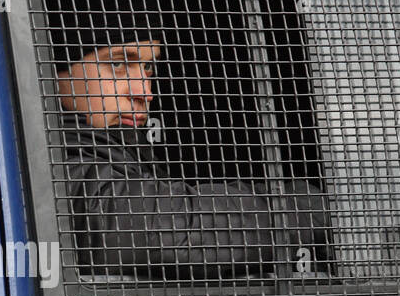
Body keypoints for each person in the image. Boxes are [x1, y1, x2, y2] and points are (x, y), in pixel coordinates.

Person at [52, 19, 330, 282]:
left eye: (148, 68)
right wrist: (314, 206)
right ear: (57, 72)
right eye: (119, 65)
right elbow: (153, 231)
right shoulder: (50, 155)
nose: (144, 92)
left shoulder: (127, 150)